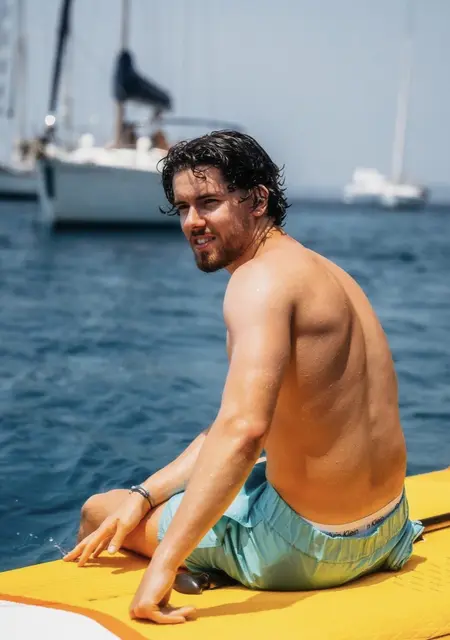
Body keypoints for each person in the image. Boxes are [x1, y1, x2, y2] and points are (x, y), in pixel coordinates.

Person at [63, 130, 424, 624]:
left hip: (309, 550)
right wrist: (145, 495)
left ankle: (169, 571)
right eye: (183, 207)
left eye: (208, 203)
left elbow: (245, 432)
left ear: (257, 200)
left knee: (99, 512)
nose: (192, 222)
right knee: (147, 499)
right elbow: (232, 429)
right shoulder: (330, 274)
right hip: (391, 529)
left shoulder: (258, 282)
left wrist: (161, 566)